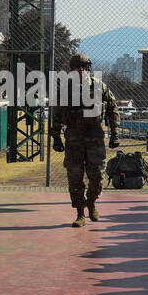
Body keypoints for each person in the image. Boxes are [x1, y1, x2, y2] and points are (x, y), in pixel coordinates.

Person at [48, 53, 119, 228]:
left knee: (97, 176)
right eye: (76, 67)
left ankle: (92, 201)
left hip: (95, 137)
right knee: (75, 177)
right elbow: (56, 114)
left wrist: (115, 133)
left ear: (88, 68)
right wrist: (56, 137)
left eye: (83, 67)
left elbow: (112, 108)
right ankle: (80, 212)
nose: (80, 70)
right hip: (73, 138)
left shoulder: (99, 86)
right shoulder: (65, 89)